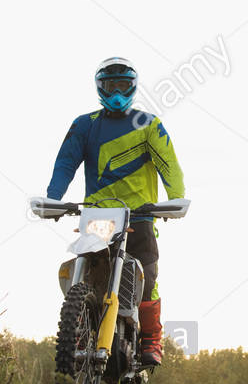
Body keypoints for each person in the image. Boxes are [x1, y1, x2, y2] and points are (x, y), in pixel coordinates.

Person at [45, 57, 186, 365]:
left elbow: (169, 165)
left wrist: (176, 199)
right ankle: (80, 322)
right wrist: (53, 198)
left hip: (139, 216)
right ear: (101, 88)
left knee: (147, 276)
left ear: (133, 87)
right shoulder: (85, 124)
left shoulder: (148, 124)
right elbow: (66, 162)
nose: (118, 92)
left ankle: (151, 339)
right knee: (87, 270)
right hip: (97, 217)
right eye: (112, 86)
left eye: (124, 85)